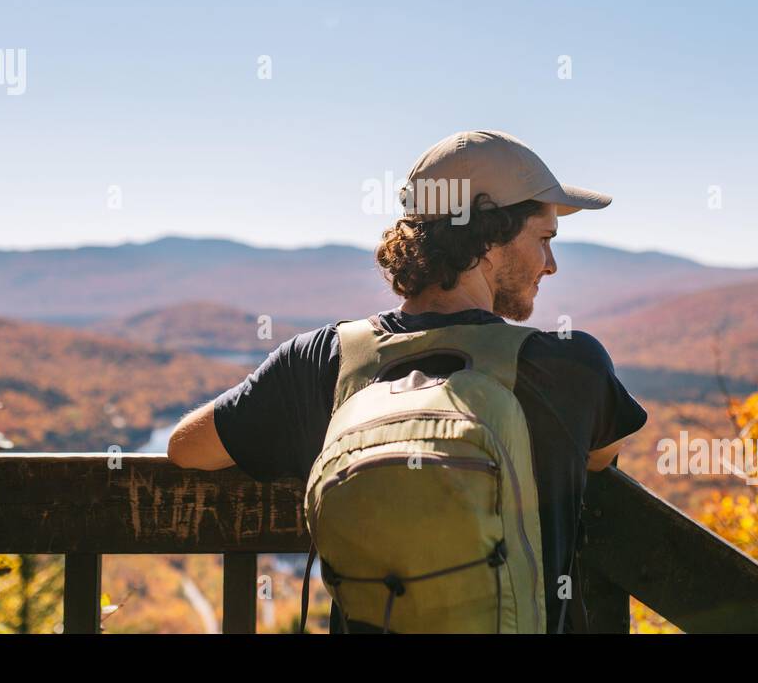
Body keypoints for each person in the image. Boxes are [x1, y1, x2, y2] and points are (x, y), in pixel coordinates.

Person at [167, 129, 647, 632]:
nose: (550, 265)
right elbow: (601, 455)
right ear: (488, 239)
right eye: (544, 239)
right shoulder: (571, 368)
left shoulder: (319, 360)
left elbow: (187, 449)